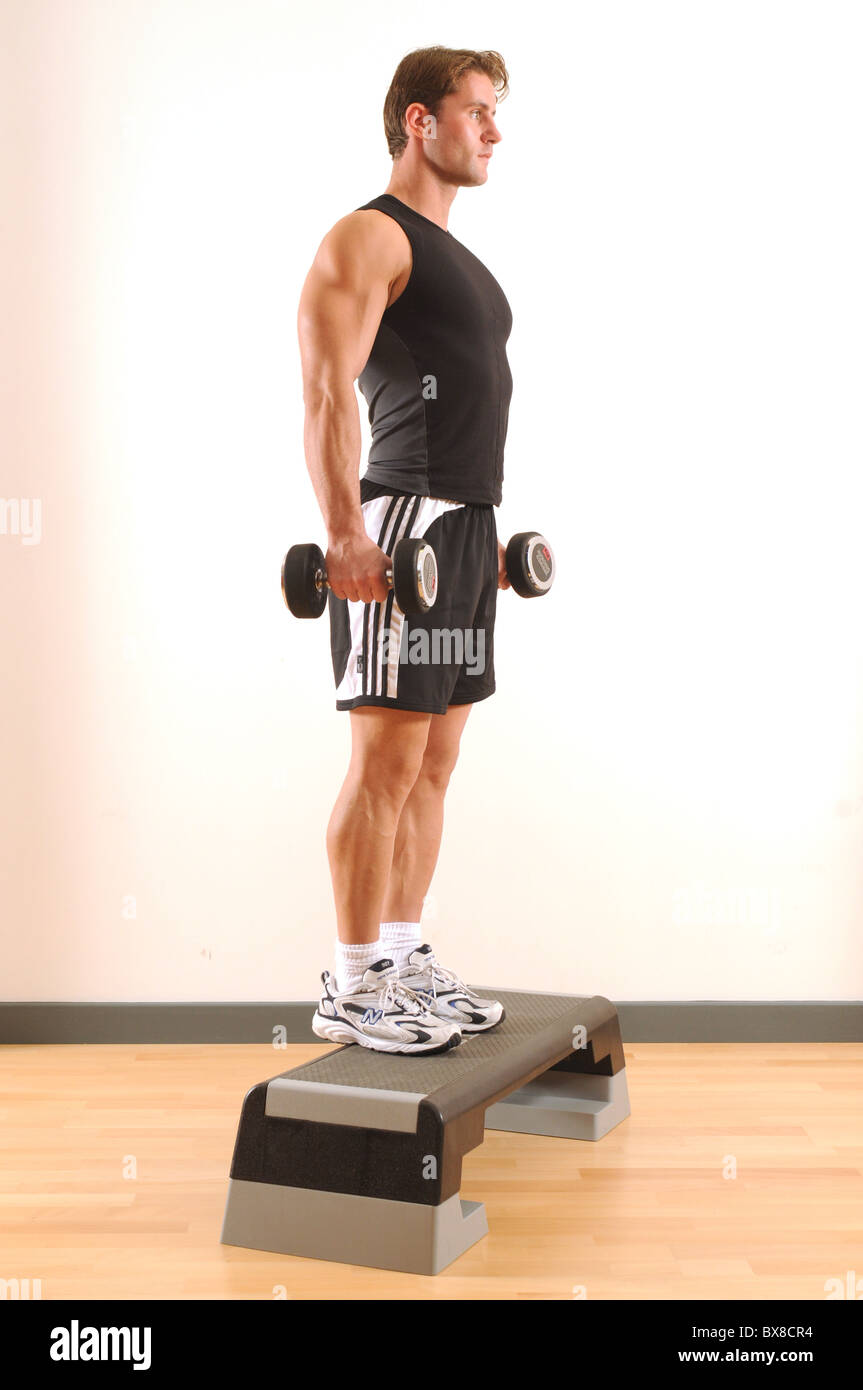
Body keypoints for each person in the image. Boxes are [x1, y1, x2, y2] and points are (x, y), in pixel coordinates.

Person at [297, 46, 513, 1054]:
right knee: (383, 762)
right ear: (419, 122)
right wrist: (343, 526)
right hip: (402, 525)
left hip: (466, 527)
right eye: (476, 112)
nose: (493, 132)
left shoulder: (454, 254)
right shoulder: (369, 236)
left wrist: (487, 545)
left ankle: (400, 952)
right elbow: (324, 387)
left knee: (434, 761)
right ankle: (351, 982)